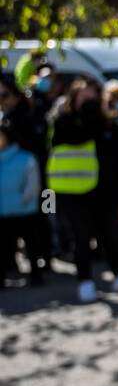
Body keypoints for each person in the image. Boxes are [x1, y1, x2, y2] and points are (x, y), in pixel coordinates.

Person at [47, 79, 118, 301]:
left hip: (104, 190)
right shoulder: (63, 121)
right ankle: (85, 280)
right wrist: (95, 116)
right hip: (74, 190)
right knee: (81, 236)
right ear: (74, 99)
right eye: (84, 98)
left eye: (93, 98)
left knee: (110, 235)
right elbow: (74, 136)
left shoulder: (110, 124)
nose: (89, 103)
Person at [0, 118, 43, 286]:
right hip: (2, 212)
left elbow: (33, 185)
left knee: (32, 245)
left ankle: (36, 275)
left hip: (25, 210)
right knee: (3, 248)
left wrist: (23, 201)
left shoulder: (26, 158)